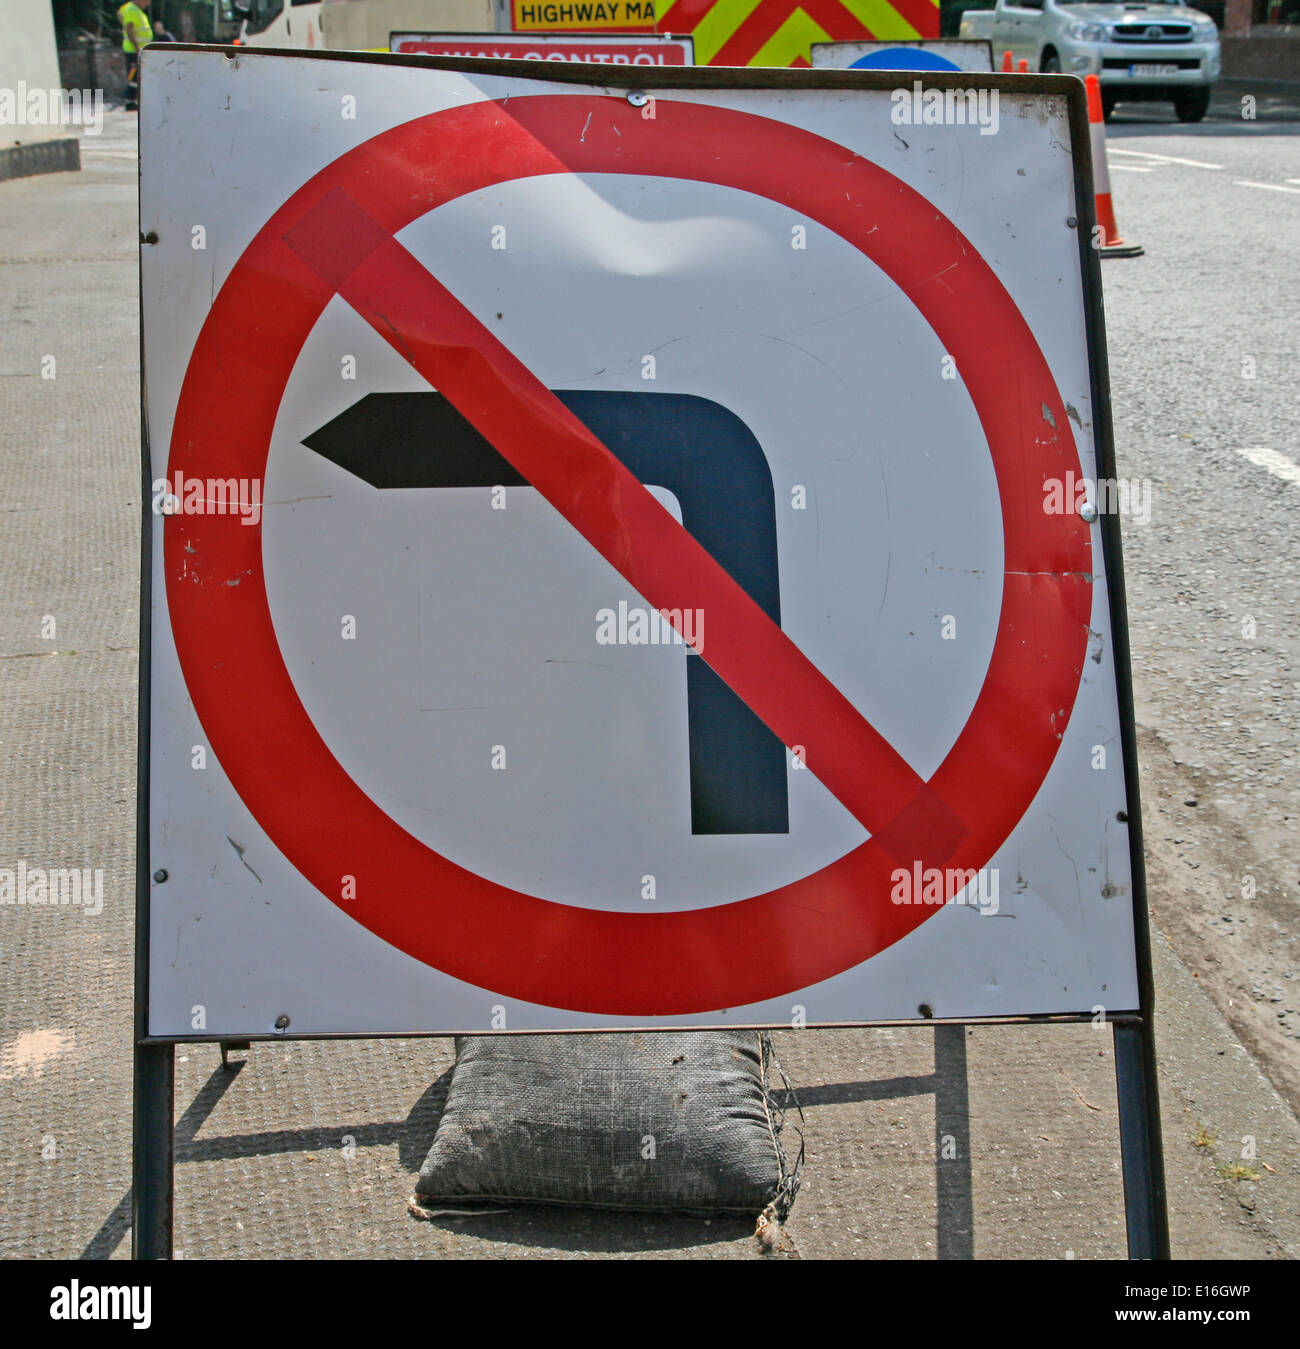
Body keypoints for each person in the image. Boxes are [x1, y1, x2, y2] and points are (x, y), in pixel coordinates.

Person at [118, 0, 154, 111]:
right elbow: (129, 28)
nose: (148, 3)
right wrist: (137, 47)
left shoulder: (133, 9)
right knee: (134, 77)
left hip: (138, 50)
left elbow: (119, 13)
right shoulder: (132, 10)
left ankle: (132, 101)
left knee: (136, 76)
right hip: (134, 50)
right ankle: (129, 102)